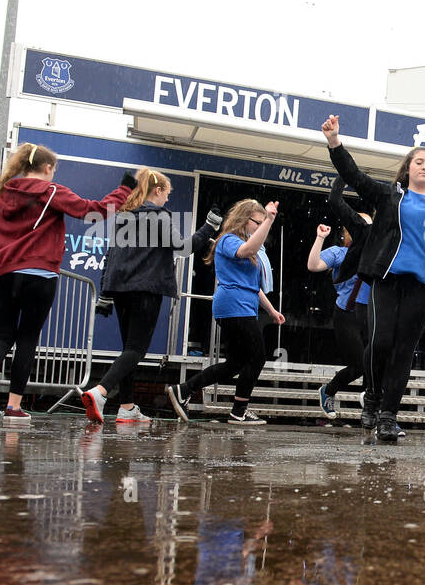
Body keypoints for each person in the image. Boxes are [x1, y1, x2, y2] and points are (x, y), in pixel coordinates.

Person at [0, 143, 133, 421]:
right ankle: (14, 406)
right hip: (39, 274)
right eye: (53, 169)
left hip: (2, 275)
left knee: (2, 336)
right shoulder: (51, 191)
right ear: (47, 168)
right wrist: (125, 188)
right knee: (28, 337)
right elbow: (94, 210)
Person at [322, 115, 425, 443]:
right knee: (380, 342)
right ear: (408, 168)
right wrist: (334, 142)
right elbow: (353, 176)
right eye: (419, 162)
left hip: (423, 287)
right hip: (387, 280)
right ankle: (371, 395)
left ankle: (388, 415)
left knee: (403, 350)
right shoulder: (389, 197)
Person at [79, 169, 219, 424]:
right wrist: (208, 228)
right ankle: (100, 392)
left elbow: (112, 256)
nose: (167, 199)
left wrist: (105, 294)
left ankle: (127, 407)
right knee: (136, 350)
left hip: (121, 290)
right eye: (167, 193)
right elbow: (182, 246)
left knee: (128, 350)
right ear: (157, 190)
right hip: (147, 289)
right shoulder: (159, 216)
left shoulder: (124, 216)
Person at [167, 199, 285, 425]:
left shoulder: (250, 249)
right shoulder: (228, 240)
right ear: (244, 220)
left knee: (236, 363)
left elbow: (254, 286)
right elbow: (246, 250)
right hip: (233, 305)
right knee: (257, 357)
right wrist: (269, 221)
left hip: (242, 305)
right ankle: (238, 410)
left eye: (262, 222)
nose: (260, 227)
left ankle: (184, 390)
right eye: (257, 223)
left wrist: (271, 311)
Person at [307, 209, 371, 420]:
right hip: (346, 313)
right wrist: (319, 238)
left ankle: (372, 408)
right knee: (360, 365)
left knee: (373, 362)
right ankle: (329, 390)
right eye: (362, 226)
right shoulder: (340, 253)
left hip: (370, 314)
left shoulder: (376, 256)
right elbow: (313, 265)